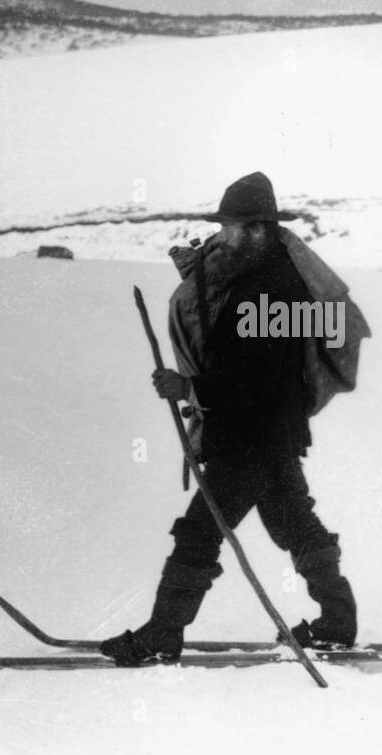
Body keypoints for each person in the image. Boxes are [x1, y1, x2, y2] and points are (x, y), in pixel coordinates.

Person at [100, 172, 358, 666]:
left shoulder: (266, 290)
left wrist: (190, 388)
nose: (225, 235)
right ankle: (337, 620)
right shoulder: (269, 277)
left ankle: (162, 633)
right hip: (271, 436)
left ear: (259, 229)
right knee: (295, 525)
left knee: (200, 531)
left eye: (233, 227)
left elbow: (253, 379)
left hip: (248, 440)